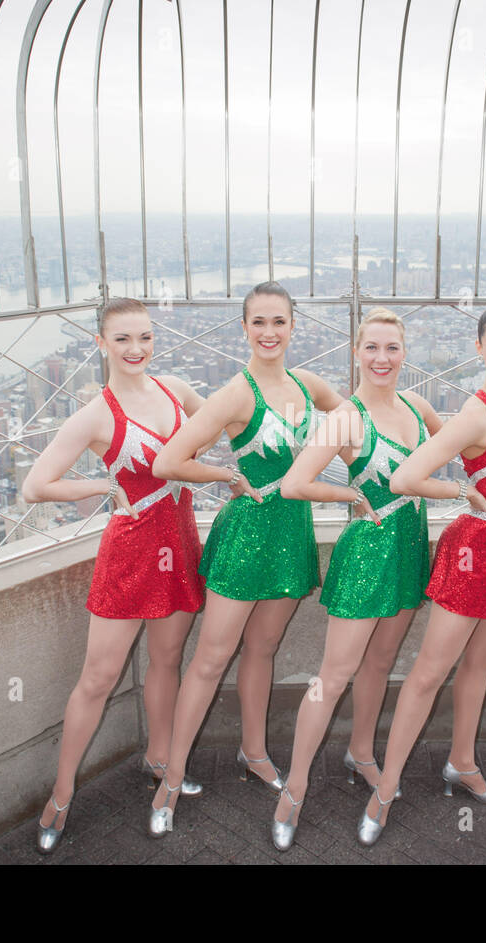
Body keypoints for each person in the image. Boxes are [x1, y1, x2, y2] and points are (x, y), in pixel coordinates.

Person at [146, 281, 344, 838]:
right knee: (210, 660)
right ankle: (171, 778)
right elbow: (168, 461)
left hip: (291, 535)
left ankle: (254, 753)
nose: (269, 332)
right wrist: (227, 477)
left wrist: (380, 476)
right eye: (258, 322)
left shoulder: (308, 386)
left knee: (263, 649)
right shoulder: (235, 394)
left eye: (279, 321)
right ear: (244, 328)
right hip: (245, 539)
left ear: (293, 326)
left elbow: (356, 420)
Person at [356, 301, 486, 847]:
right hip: (474, 557)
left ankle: (462, 764)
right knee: (427, 675)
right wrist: (461, 491)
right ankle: (385, 789)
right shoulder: (476, 414)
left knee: (481, 666)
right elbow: (404, 476)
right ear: (479, 351)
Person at [22, 297, 208, 855]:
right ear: (100, 344)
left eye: (145, 337)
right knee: (98, 679)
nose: (136, 349)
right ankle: (60, 794)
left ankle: (159, 758)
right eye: (122, 339)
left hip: (179, 541)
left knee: (168, 661)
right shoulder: (96, 414)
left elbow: (229, 418)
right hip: (130, 554)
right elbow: (36, 485)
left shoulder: (175, 389)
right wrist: (105, 489)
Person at [268, 307, 442, 851]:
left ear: (404, 352)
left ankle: (361, 751)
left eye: (392, 348)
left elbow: (461, 448)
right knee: (332, 675)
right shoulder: (347, 417)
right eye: (372, 348)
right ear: (356, 352)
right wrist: (350, 496)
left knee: (383, 661)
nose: (382, 358)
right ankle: (293, 790)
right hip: (368, 552)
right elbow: (296, 482)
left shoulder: (417, 407)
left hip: (411, 544)